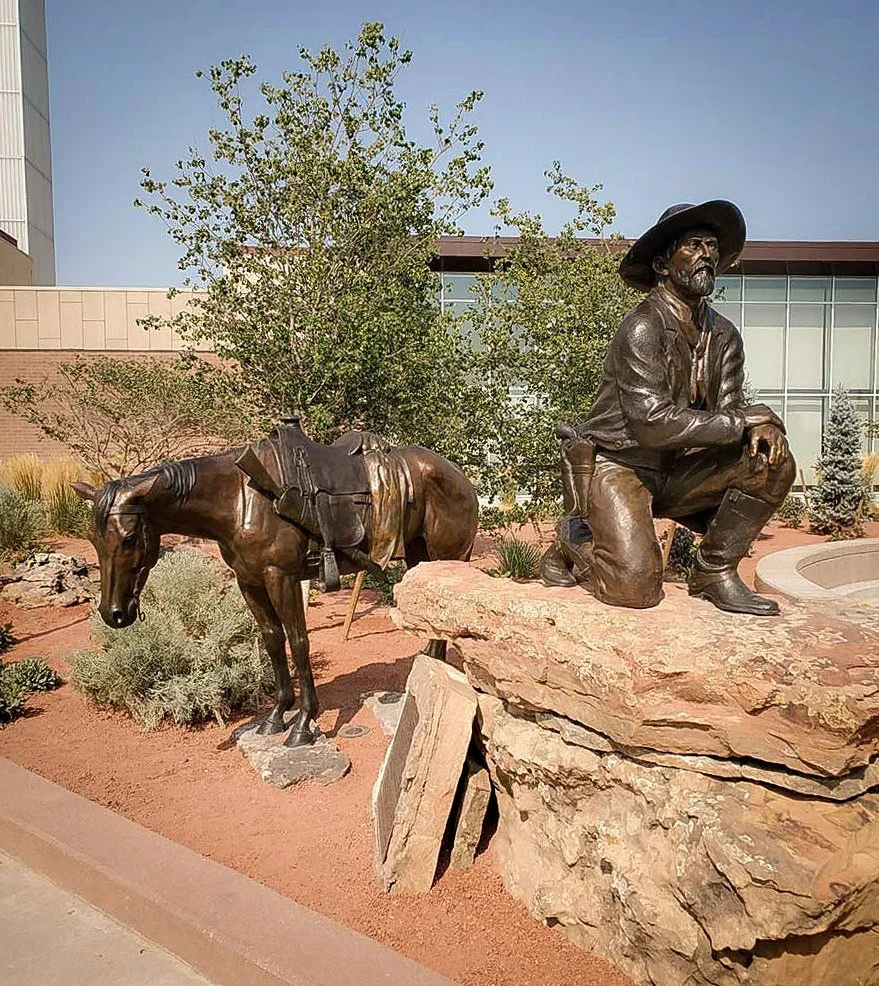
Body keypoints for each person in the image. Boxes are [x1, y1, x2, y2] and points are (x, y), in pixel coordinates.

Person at [540, 200, 795, 616]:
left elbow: (729, 411)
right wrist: (743, 420)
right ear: (662, 264)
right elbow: (651, 424)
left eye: (712, 247)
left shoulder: (725, 336)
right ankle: (575, 540)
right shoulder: (642, 326)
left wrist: (757, 432)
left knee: (771, 460)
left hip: (678, 471)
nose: (707, 256)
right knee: (635, 588)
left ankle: (714, 571)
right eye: (694, 246)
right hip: (621, 465)